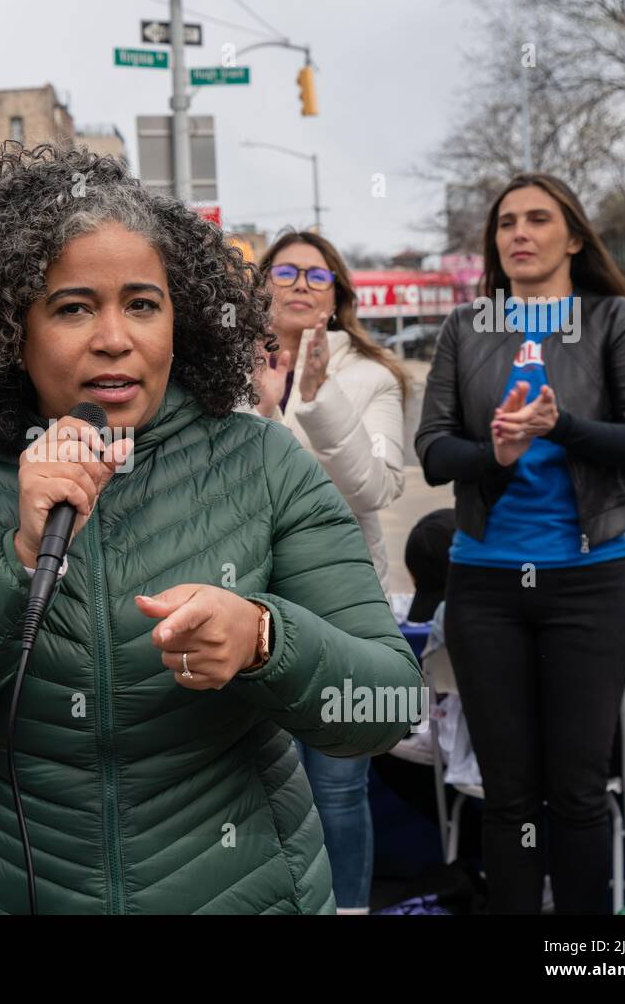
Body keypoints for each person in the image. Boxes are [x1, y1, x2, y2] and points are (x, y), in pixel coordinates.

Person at [0, 143, 420, 914]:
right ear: (10, 327)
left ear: (183, 319)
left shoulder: (261, 460)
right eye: (73, 307)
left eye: (142, 303)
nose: (115, 337)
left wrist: (266, 639)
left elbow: (387, 704)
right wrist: (14, 562)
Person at [415, 173, 625, 914]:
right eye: (505, 223)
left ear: (575, 237)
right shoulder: (469, 326)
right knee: (508, 795)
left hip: (587, 585)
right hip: (485, 586)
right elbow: (432, 450)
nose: (518, 233)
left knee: (580, 792)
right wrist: (493, 456)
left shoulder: (612, 320)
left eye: (537, 220)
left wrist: (562, 428)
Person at [254, 229, 409, 913]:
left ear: (339, 297)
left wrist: (316, 400)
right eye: (285, 270)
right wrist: (260, 407)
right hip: (251, 609)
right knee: (267, 786)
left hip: (342, 609)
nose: (300, 283)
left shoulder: (373, 376)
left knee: (340, 790)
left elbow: (373, 487)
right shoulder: (218, 371)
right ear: (260, 286)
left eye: (318, 276)